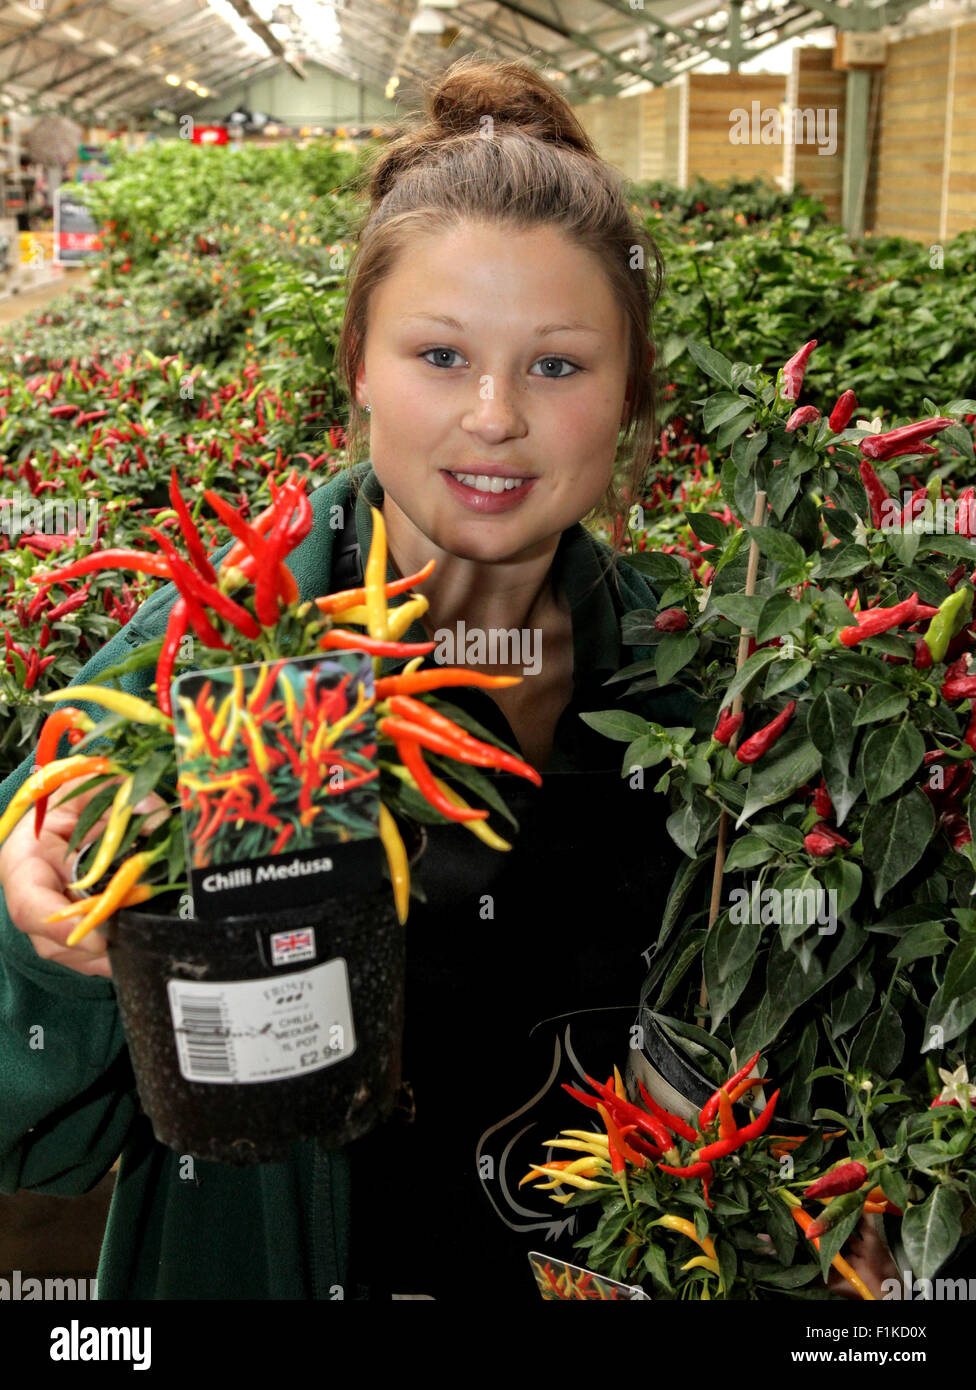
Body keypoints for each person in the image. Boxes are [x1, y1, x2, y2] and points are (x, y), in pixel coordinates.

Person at [0, 56, 891, 1301]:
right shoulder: (208, 668)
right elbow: (31, 1133)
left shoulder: (706, 689)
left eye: (557, 365)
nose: (493, 415)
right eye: (437, 353)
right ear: (359, 364)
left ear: (631, 389)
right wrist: (48, 944)